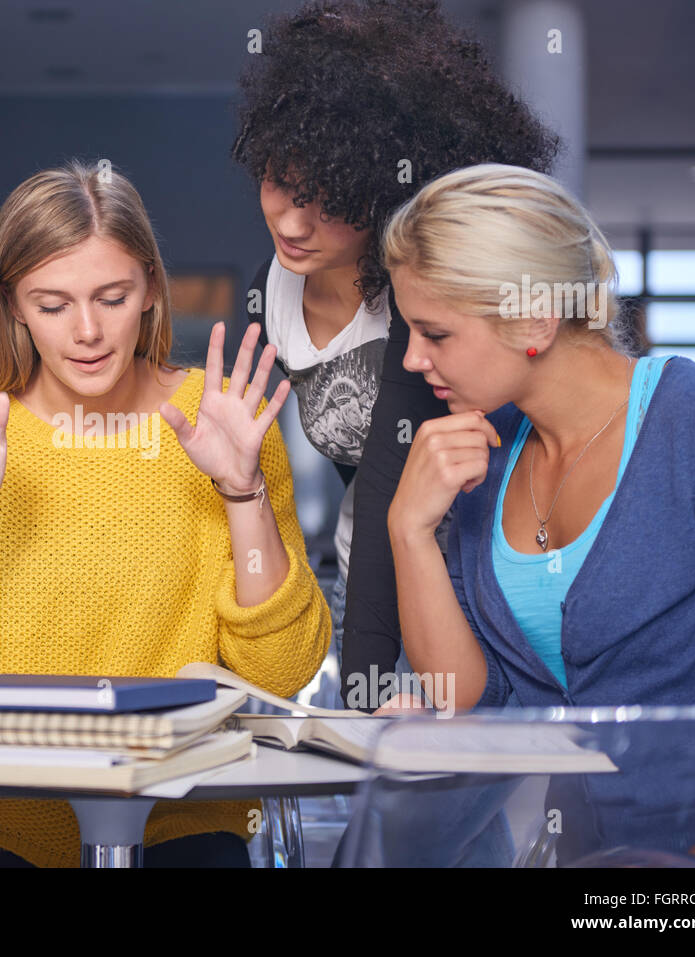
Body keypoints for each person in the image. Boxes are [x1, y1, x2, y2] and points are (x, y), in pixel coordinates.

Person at [0, 161, 329, 868]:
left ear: (149, 287)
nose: (86, 330)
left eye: (112, 296)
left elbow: (283, 668)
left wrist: (243, 493)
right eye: (52, 305)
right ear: (13, 304)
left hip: (180, 815)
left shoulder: (220, 423)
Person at [383, 163, 695, 862]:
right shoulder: (485, 464)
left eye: (434, 333)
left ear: (533, 318)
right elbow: (464, 700)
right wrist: (408, 532)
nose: (411, 358)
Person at [230, 0, 559, 709]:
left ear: (387, 191)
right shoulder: (271, 291)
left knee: (459, 786)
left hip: (468, 577)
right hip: (379, 564)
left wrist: (362, 691)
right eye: (280, 182)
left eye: (328, 200)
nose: (291, 220)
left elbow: (388, 484)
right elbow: (341, 478)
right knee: (446, 811)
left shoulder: (418, 305)